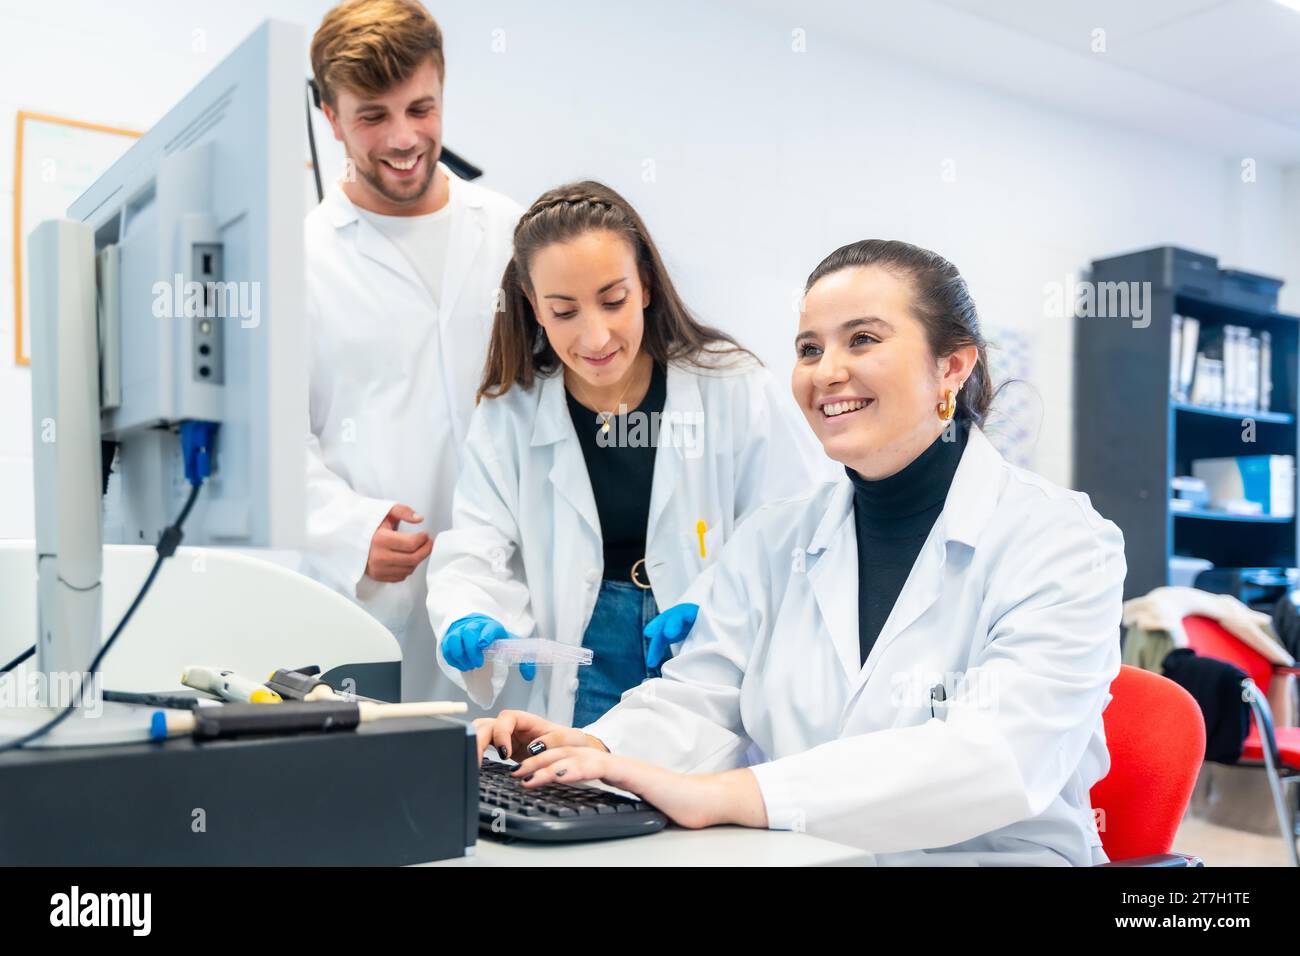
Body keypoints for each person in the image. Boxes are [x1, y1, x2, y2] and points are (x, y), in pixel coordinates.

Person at [472, 239, 1126, 865]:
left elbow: (994, 757)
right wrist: (591, 747)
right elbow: (700, 699)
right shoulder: (775, 538)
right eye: (810, 348)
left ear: (952, 365)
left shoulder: (1061, 542)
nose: (826, 371)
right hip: (806, 857)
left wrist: (730, 796)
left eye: (862, 339)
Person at [426, 181, 829, 727]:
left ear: (645, 285)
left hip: (705, 644)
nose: (595, 337)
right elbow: (477, 543)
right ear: (533, 306)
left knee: (701, 771)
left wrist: (717, 600)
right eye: (564, 311)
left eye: (613, 301)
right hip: (583, 656)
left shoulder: (731, 384)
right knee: (585, 775)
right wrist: (471, 612)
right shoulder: (512, 412)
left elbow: (792, 523)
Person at [301, 0, 522, 700]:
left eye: (420, 109)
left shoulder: (512, 234)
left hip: (509, 594)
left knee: (516, 758)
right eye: (373, 117)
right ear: (331, 118)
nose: (403, 139)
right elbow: (273, 445)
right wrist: (348, 531)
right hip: (375, 605)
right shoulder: (298, 257)